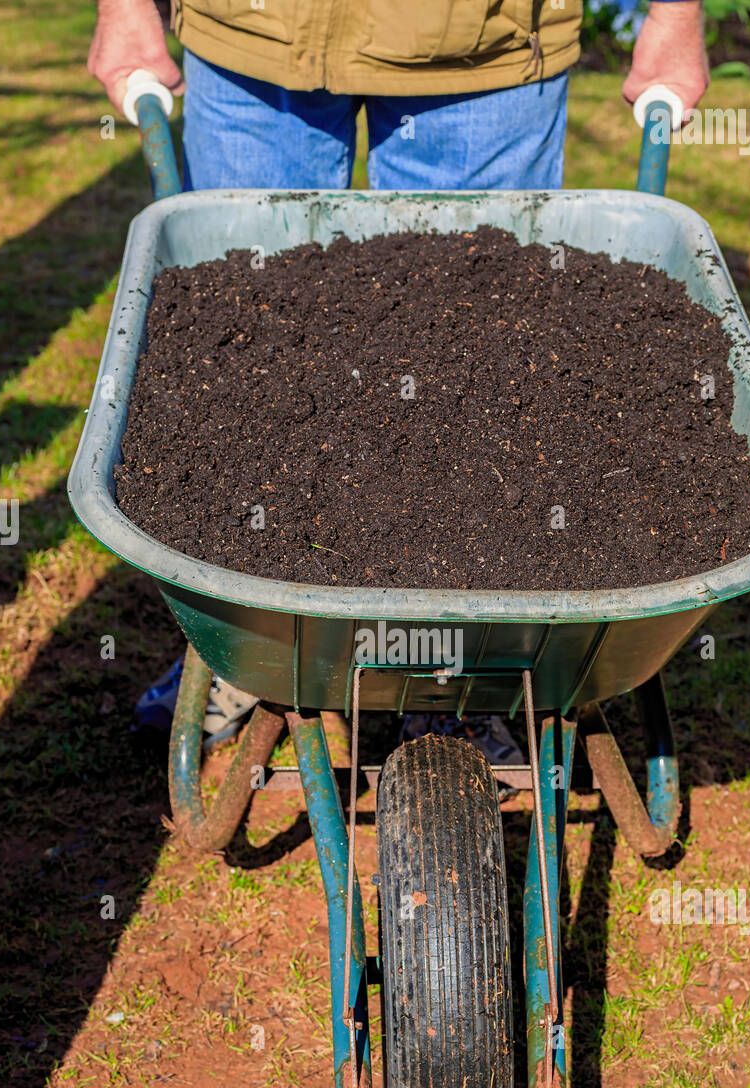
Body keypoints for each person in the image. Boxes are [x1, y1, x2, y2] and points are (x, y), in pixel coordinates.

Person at [88, 0, 709, 750]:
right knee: (245, 358)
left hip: (483, 46)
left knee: (493, 372)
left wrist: (675, 15)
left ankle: (479, 667)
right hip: (250, 32)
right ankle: (253, 645)